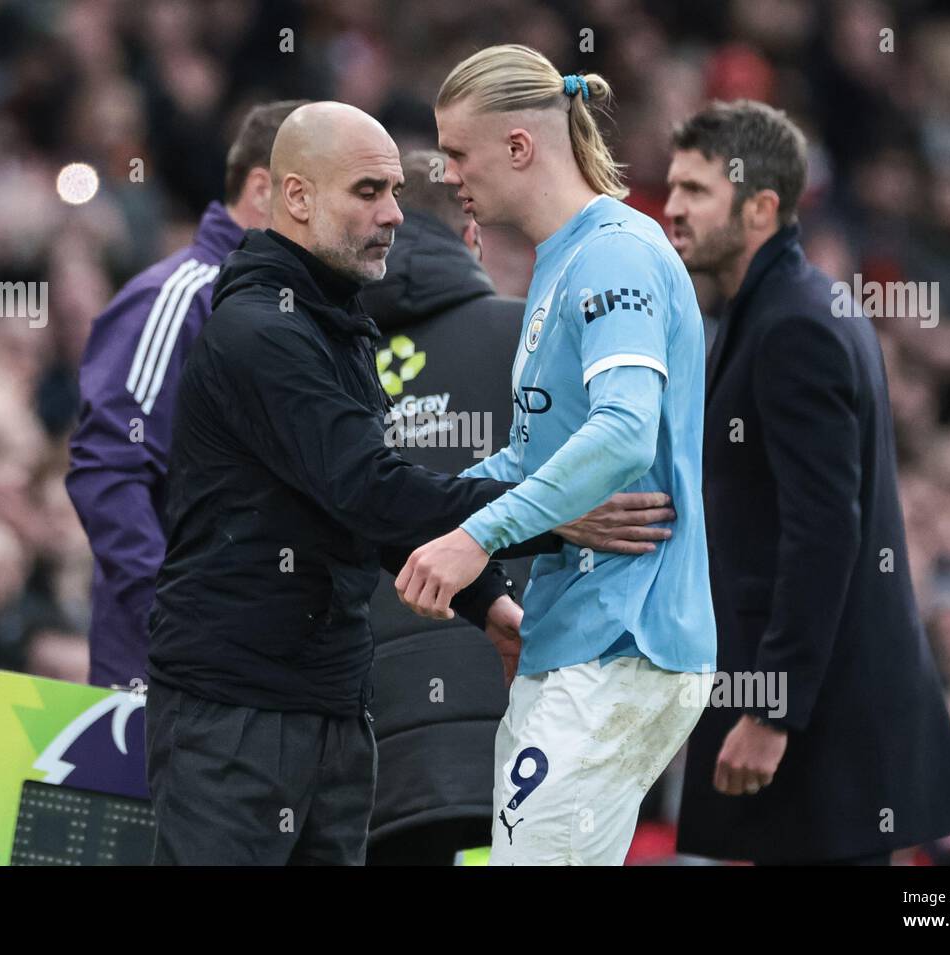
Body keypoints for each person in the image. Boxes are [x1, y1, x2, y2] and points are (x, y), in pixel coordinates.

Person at [145, 101, 648, 866]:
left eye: (394, 193)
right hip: (236, 712)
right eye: (368, 192)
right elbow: (371, 490)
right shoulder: (261, 333)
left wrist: (484, 605)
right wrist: (556, 515)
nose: (392, 215)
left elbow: (358, 513)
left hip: (333, 705)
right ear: (297, 197)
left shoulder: (332, 323)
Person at [401, 44, 717, 865]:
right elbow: (530, 457)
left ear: (518, 146)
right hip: (568, 635)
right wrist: (401, 508)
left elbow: (623, 430)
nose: (450, 174)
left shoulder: (616, 251)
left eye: (459, 153)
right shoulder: (559, 263)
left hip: (625, 633)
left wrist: (478, 538)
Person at [664, 99, 950, 864]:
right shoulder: (785, 306)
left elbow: (823, 531)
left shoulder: (793, 324)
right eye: (672, 187)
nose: (671, 208)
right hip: (821, 722)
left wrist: (772, 710)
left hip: (818, 734)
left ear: (762, 206)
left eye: (696, 191)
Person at [360, 150, 676, 865]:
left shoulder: (319, 365)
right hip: (527, 723)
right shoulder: (533, 343)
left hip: (367, 750)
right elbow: (637, 517)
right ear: (470, 231)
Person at [66, 100, 308, 689]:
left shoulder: (312, 319)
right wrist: (173, 622)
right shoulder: (178, 298)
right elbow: (109, 467)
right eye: (319, 193)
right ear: (262, 188)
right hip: (171, 676)